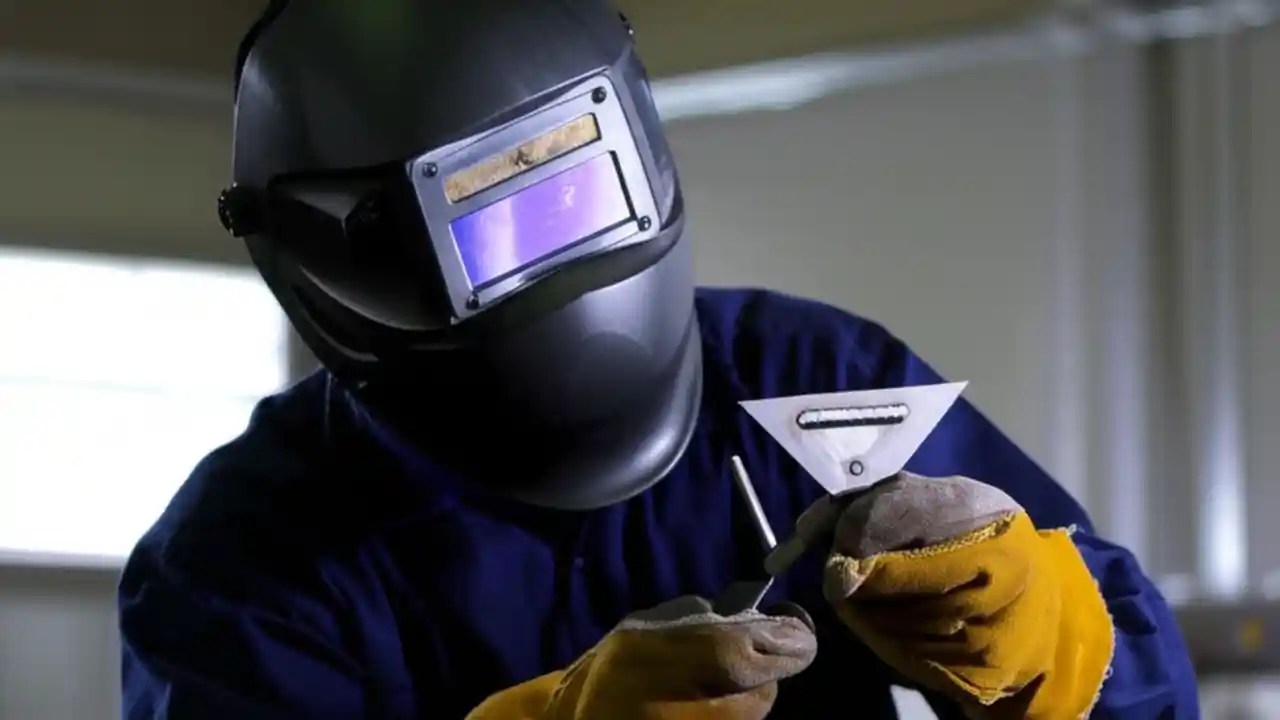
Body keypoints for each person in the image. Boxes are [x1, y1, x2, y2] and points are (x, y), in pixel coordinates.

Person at [118, 1, 1200, 718]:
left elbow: (1145, 688)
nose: (540, 267)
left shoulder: (812, 375)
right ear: (328, 257)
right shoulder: (238, 561)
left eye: (564, 189)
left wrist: (1032, 626)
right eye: (475, 224)